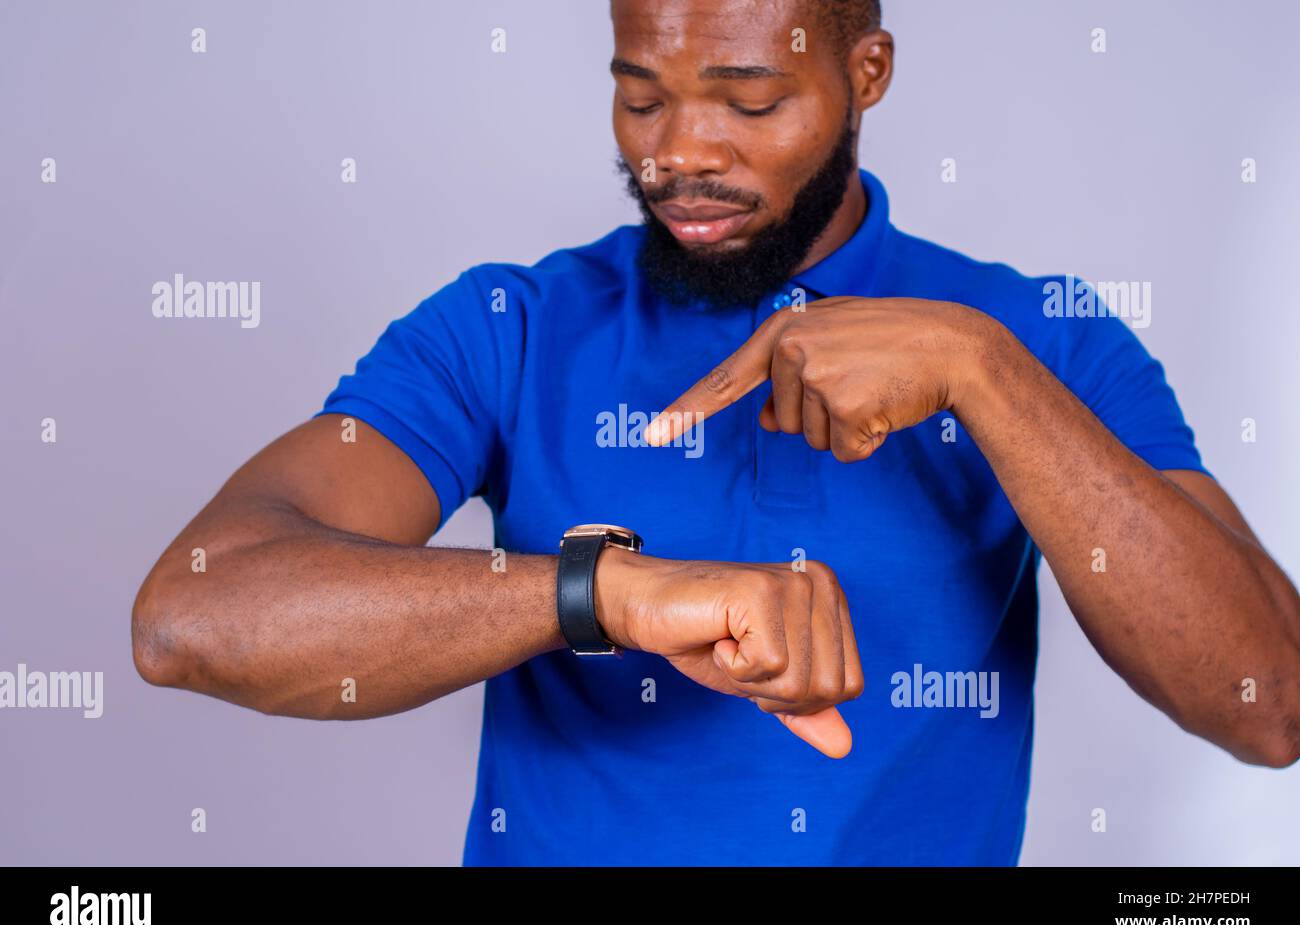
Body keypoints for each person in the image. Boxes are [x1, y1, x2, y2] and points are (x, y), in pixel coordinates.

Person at [132, 0, 1300, 865]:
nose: (676, 152)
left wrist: (979, 371)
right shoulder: (512, 327)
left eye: (748, 101)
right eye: (640, 96)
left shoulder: (1041, 339)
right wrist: (607, 594)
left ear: (866, 72)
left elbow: (1267, 701)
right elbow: (193, 615)